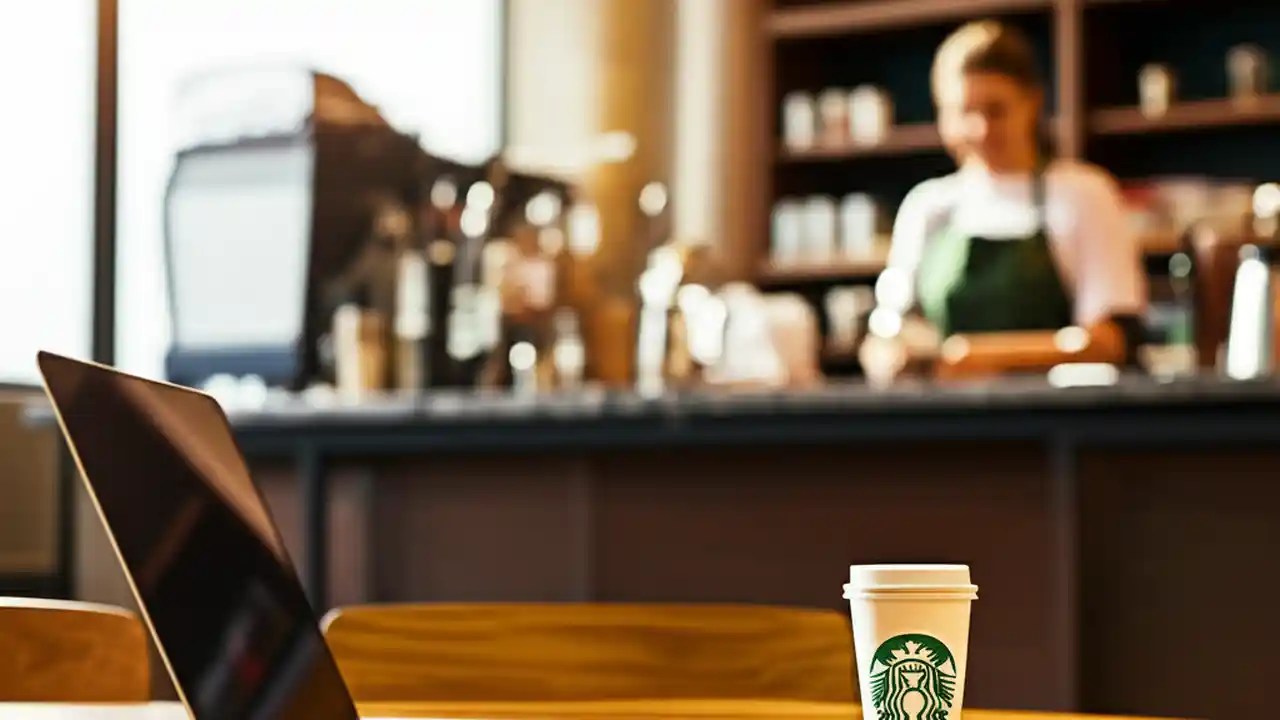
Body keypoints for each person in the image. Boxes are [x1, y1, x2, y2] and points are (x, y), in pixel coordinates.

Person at [861, 20, 1146, 382]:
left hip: (1055, 420)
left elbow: (1109, 342)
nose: (980, 129)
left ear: (1032, 102)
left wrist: (971, 357)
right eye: (965, 111)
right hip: (947, 421)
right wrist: (888, 354)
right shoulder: (927, 207)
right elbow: (889, 330)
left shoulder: (1083, 194)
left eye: (996, 110)